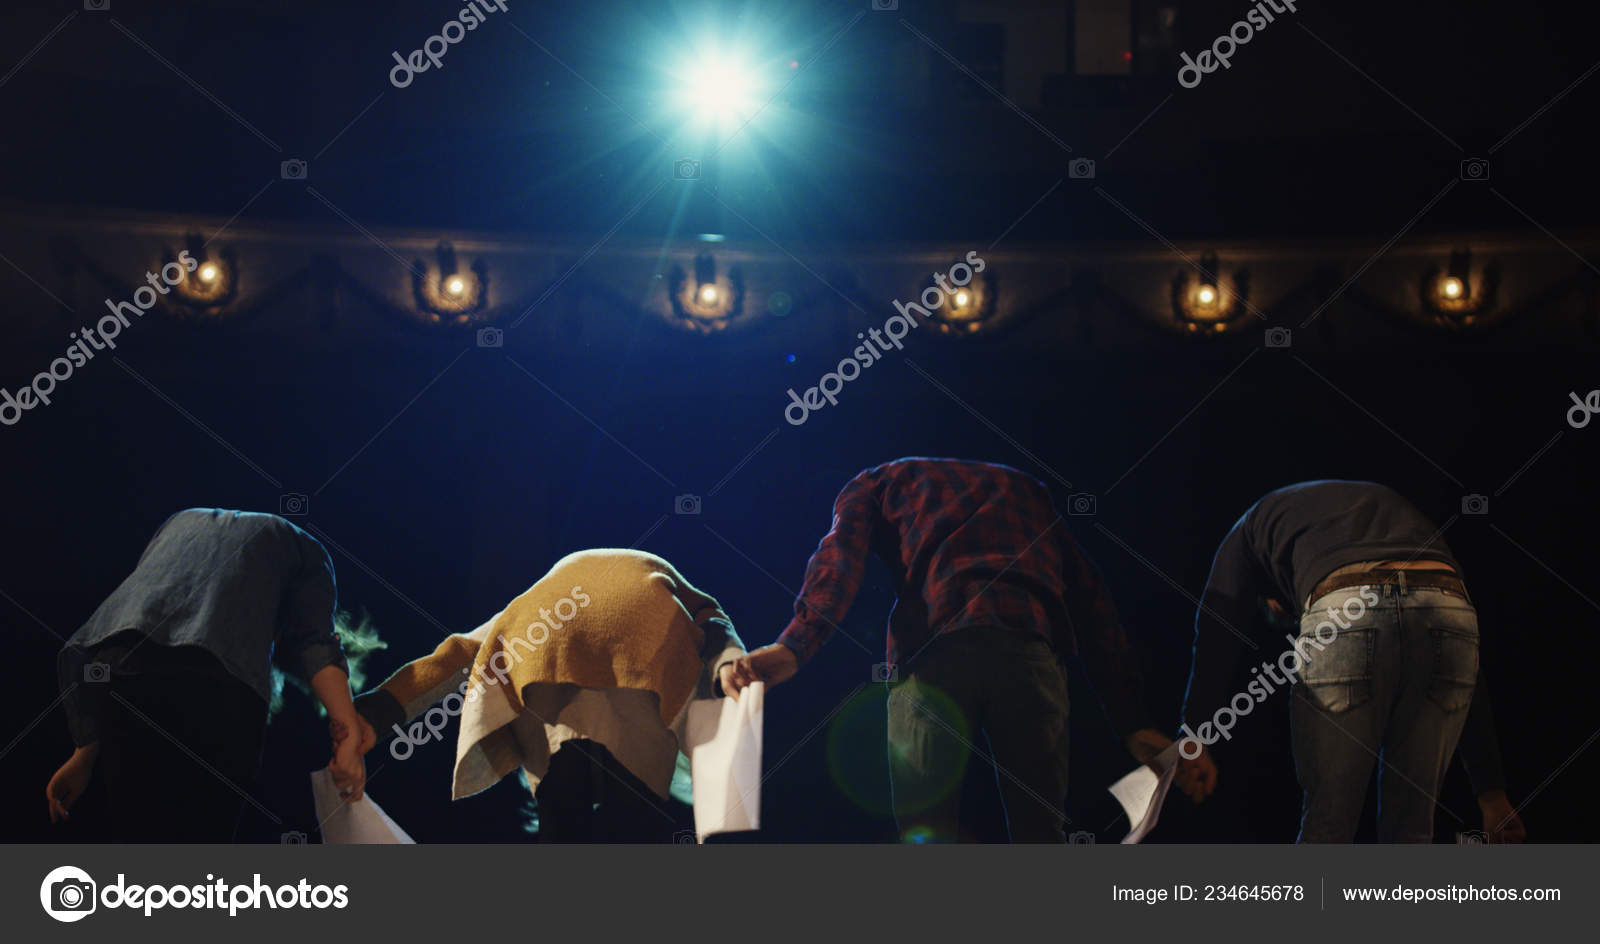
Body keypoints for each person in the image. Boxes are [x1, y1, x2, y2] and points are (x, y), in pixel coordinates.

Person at [726, 457, 1184, 843]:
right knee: (1041, 833)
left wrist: (795, 646)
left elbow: (840, 560)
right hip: (1028, 651)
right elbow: (1092, 601)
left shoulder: (873, 484)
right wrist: (1133, 721)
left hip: (934, 652)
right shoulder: (1026, 489)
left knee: (926, 833)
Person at [1179, 480, 1525, 843]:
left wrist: (1195, 734)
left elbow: (1218, 625)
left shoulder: (1247, 528)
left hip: (1346, 606)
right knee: (1412, 830)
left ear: (1271, 595)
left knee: (1327, 824)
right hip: (1450, 604)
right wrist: (1492, 793)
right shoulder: (1381, 503)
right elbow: (1463, 661)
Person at [352, 548, 745, 843]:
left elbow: (456, 653)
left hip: (549, 642)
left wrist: (373, 713)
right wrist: (731, 663)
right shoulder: (660, 578)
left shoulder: (535, 601)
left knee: (562, 807)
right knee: (634, 816)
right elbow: (714, 622)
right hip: (639, 645)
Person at [45, 508, 367, 842]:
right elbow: (314, 646)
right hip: (214, 692)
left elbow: (143, 626)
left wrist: (84, 753)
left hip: (119, 676)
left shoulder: (181, 520)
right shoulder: (307, 549)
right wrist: (350, 737)